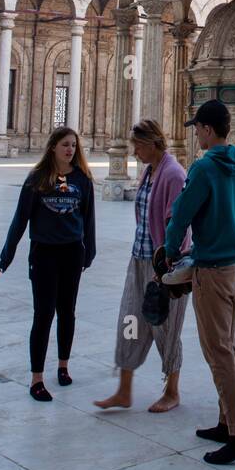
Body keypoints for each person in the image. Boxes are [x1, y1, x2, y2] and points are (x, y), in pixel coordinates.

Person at [163, 99, 235, 465]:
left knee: (218, 353)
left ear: (209, 130)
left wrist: (169, 251)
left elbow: (180, 214)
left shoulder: (203, 169)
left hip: (212, 270)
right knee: (228, 346)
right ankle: (225, 419)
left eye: (197, 127)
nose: (195, 133)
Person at [94, 120, 188, 415]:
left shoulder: (173, 174)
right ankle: (124, 390)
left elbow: (179, 222)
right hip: (140, 258)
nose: (134, 152)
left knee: (165, 326)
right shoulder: (149, 172)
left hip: (164, 265)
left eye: (137, 145)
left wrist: (169, 263)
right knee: (130, 319)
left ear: (151, 144)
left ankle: (172, 391)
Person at [0, 126, 96, 401]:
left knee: (67, 311)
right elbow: (20, 220)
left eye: (73, 146)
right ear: (53, 147)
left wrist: (90, 252)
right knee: (43, 314)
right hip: (44, 254)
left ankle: (63, 366)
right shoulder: (37, 179)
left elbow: (88, 219)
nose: (70, 150)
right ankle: (36, 379)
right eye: (65, 145)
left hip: (72, 253)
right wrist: (6, 256)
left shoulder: (83, 180)